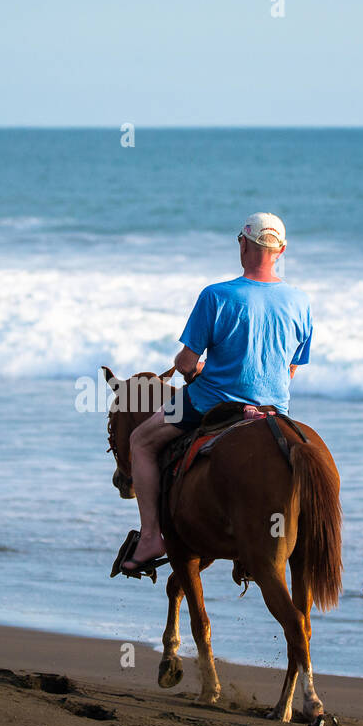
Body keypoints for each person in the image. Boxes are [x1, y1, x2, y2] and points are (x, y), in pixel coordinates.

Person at [118, 212, 313, 576]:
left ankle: (149, 537)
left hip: (210, 401)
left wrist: (207, 371)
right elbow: (291, 367)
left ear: (242, 243)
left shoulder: (216, 296)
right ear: (281, 250)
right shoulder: (300, 301)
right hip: (274, 410)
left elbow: (187, 364)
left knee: (141, 440)